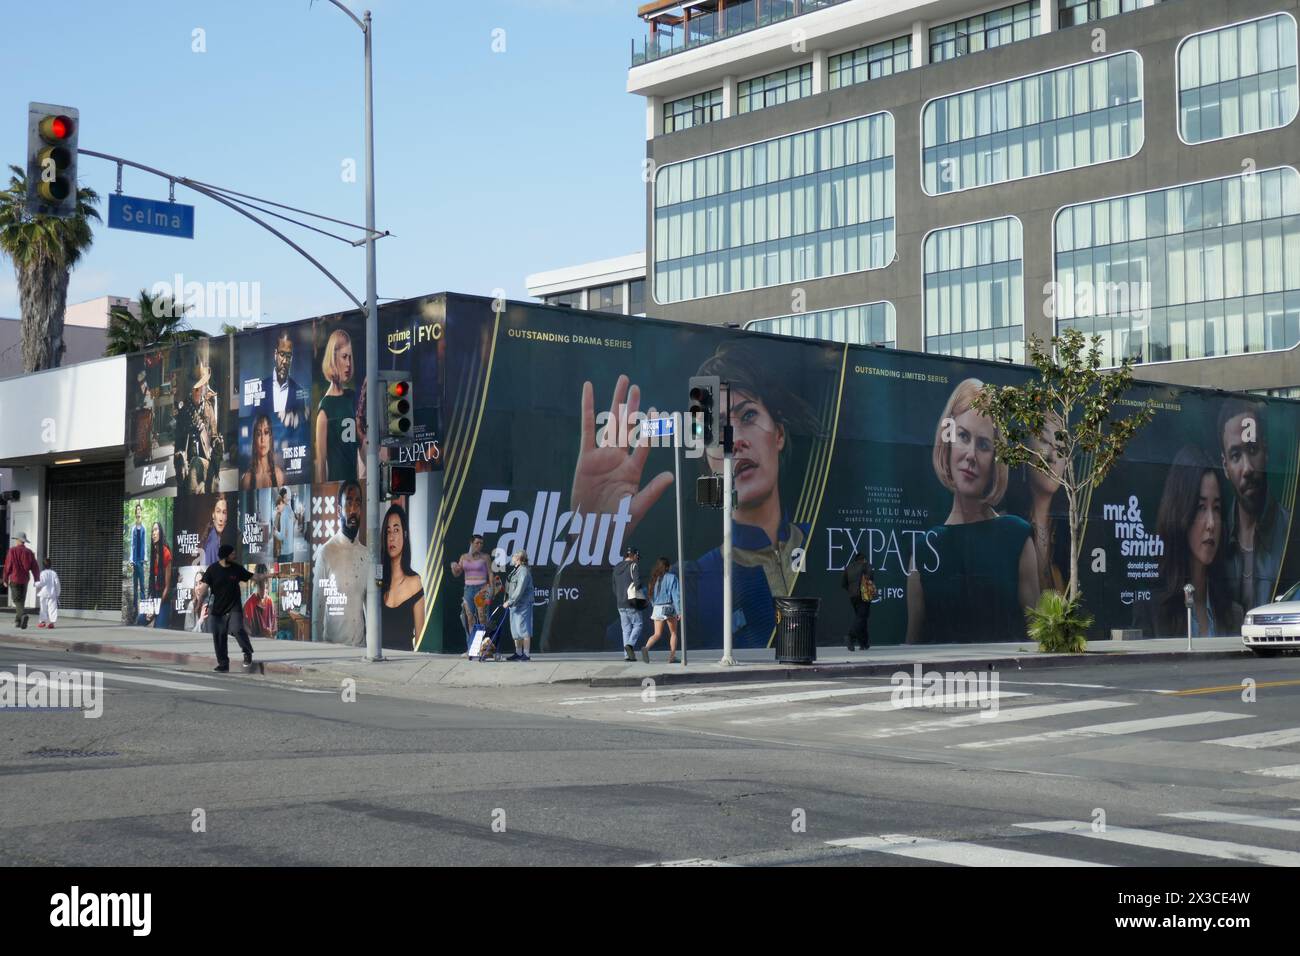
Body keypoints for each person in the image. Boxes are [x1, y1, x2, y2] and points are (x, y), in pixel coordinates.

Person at [906, 378, 1040, 644]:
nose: (970, 455)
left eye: (983, 445)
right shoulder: (924, 549)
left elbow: (1036, 632)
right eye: (963, 437)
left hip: (1008, 681)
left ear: (995, 459)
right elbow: (913, 642)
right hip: (945, 683)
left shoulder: (1016, 536)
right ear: (947, 442)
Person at [1135, 445, 1243, 638]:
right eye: (1201, 507)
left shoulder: (1233, 614)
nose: (1211, 523)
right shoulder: (1152, 610)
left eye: (1216, 508)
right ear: (1180, 511)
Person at [1218, 398, 1292, 609]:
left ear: (1266, 451)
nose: (1248, 468)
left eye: (1252, 450)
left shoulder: (1291, 532)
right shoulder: (1216, 540)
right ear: (1225, 466)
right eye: (1235, 455)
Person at [311, 480, 369, 645]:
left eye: (358, 503)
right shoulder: (327, 552)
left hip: (361, 650)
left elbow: (369, 610)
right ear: (338, 511)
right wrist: (317, 654)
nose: (353, 509)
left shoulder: (366, 555)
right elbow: (318, 609)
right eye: (348, 503)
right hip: (333, 651)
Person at [251, 329, 309, 457]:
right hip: (264, 459)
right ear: (275, 354)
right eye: (282, 354)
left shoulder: (299, 391)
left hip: (289, 460)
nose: (285, 361)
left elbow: (300, 432)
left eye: (289, 356)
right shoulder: (259, 388)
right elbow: (254, 426)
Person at [205, 543, 259, 672]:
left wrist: (267, 576)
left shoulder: (237, 569)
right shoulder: (213, 569)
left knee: (237, 629)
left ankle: (247, 652)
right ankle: (223, 664)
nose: (235, 555)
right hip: (218, 608)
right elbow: (204, 585)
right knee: (219, 636)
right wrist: (201, 600)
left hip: (234, 606)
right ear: (225, 556)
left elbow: (253, 577)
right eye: (232, 553)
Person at [173, 361, 225, 495]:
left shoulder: (208, 408)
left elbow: (213, 435)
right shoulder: (184, 410)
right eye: (195, 388)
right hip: (189, 463)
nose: (198, 391)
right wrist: (179, 459)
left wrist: (217, 444)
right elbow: (178, 441)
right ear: (191, 389)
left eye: (200, 387)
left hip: (205, 462)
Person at [314, 329, 358, 484]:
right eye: (344, 357)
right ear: (333, 359)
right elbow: (321, 464)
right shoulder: (325, 408)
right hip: (336, 485)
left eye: (350, 357)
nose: (348, 363)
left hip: (357, 482)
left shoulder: (352, 397)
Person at [380, 503, 425, 651]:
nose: (391, 537)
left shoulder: (415, 582)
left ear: (404, 534)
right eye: (388, 532)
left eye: (396, 530)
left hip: (406, 667)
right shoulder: (377, 582)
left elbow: (420, 640)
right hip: (376, 665)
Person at [450, 534, 496, 637]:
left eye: (481, 543)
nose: (479, 545)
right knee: (470, 617)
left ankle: (484, 646)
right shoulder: (464, 557)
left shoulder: (485, 557)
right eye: (477, 543)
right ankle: (472, 647)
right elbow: (457, 573)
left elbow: (490, 573)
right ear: (471, 543)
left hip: (482, 589)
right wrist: (453, 567)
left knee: (482, 617)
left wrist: (492, 588)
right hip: (468, 589)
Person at [641, 557, 682, 663]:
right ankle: (672, 657)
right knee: (673, 633)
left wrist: (655, 606)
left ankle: (646, 647)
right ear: (668, 567)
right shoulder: (672, 577)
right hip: (668, 607)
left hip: (657, 608)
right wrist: (679, 611)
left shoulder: (655, 579)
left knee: (657, 634)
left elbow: (651, 597)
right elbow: (676, 595)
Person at [612, 545, 645, 662]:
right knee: (638, 624)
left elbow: (614, 587)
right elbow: (638, 583)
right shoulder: (633, 566)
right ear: (634, 555)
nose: (638, 559)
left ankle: (627, 655)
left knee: (626, 629)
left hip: (620, 603)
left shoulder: (616, 567)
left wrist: (621, 597)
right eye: (637, 556)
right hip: (631, 602)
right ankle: (630, 645)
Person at [240, 413, 286, 490]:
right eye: (258, 434)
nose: (262, 439)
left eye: (266, 432)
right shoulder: (247, 479)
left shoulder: (278, 475)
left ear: (270, 438)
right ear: (254, 440)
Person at [3, 532, 39, 629]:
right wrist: (36, 579)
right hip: (25, 579)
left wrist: (5, 578)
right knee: (21, 600)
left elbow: (8, 566)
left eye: (16, 540)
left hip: (15, 578)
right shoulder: (29, 552)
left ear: (19, 540)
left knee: (16, 600)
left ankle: (23, 615)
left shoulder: (12, 551)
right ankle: (18, 621)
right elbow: (35, 567)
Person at [504, 550, 535, 661]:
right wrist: (509, 600)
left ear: (518, 558)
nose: (512, 558)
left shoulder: (523, 571)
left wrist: (510, 601)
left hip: (523, 605)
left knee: (524, 629)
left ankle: (526, 654)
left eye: (513, 556)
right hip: (515, 605)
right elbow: (511, 588)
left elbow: (520, 589)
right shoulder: (515, 571)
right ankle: (518, 653)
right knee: (516, 631)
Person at [841, 551, 874, 652]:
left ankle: (864, 642)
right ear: (864, 559)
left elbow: (843, 584)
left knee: (861, 618)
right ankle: (850, 636)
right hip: (864, 595)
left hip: (853, 597)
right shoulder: (866, 565)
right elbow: (870, 578)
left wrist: (851, 590)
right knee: (861, 617)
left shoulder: (849, 567)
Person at [144, 522, 174, 628]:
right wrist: (149, 606)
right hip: (154, 596)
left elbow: (167, 587)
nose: (154, 533)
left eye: (156, 530)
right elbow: (152, 582)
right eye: (152, 531)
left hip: (163, 598)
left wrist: (156, 607)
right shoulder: (153, 554)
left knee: (159, 628)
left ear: (160, 533)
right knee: (140, 620)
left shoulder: (166, 553)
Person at [272, 488, 303, 563]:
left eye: (287, 496)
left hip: (284, 552)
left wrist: (275, 532)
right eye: (285, 497)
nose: (287, 498)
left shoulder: (283, 515)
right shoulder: (290, 511)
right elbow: (293, 522)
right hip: (291, 552)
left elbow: (282, 536)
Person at [199, 496, 230, 567]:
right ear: (213, 515)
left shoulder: (216, 537)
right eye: (218, 511)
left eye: (224, 512)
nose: (221, 518)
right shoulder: (213, 543)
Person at [130, 504, 147, 609]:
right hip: (135, 560)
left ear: (141, 512)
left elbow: (145, 544)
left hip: (141, 560)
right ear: (135, 513)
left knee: (142, 583)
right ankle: (135, 606)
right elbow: (132, 544)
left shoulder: (144, 528)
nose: (138, 512)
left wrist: (145, 558)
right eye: (137, 510)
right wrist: (131, 559)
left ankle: (144, 604)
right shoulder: (133, 529)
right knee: (135, 584)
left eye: (140, 510)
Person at [35, 557, 61, 629]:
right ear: (51, 565)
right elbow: (57, 584)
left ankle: (43, 622)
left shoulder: (42, 573)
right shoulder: (54, 573)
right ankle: (52, 622)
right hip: (52, 593)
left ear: (43, 565)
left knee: (43, 608)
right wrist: (57, 593)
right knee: (52, 608)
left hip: (43, 593)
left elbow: (41, 582)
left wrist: (35, 584)